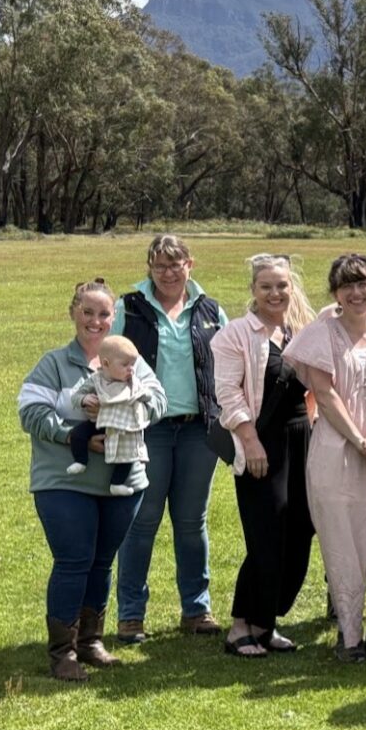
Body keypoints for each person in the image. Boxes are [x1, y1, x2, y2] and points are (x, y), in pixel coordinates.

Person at [21, 279, 163, 680]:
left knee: (101, 563)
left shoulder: (130, 358)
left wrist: (128, 414)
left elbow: (159, 399)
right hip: (64, 481)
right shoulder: (53, 364)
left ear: (113, 317)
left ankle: (90, 641)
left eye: (104, 314)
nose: (96, 321)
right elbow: (30, 413)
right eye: (88, 312)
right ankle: (62, 652)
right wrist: (71, 435)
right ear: (73, 313)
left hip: (123, 481)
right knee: (74, 561)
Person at [283, 254, 366, 661]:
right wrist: (359, 439)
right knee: (346, 540)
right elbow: (324, 395)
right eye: (347, 286)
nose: (357, 292)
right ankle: (349, 636)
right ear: (336, 294)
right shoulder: (320, 335)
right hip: (338, 448)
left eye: (363, 283)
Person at [112, 234, 226, 644]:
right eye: (159, 265)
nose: (168, 272)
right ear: (149, 267)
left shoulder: (210, 310)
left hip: (199, 430)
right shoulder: (129, 308)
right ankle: (130, 616)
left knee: (192, 523)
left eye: (175, 264)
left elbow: (228, 364)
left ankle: (196, 610)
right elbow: (106, 358)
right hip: (148, 430)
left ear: (189, 265)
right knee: (141, 522)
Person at [211, 253, 318, 657]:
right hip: (260, 441)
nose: (275, 293)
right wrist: (250, 440)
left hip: (301, 437)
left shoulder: (303, 332)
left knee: (301, 529)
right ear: (253, 291)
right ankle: (241, 626)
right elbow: (227, 392)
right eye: (266, 287)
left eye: (282, 286)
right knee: (266, 532)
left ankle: (266, 621)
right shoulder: (235, 334)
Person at [68, 335, 152, 496]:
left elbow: (146, 394)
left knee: (129, 455)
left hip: (123, 426)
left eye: (133, 365)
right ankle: (80, 461)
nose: (131, 369)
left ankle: (117, 483)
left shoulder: (132, 381)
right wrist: (84, 399)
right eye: (125, 365)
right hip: (100, 422)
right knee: (78, 434)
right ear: (106, 364)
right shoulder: (96, 380)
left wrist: (142, 397)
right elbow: (75, 396)